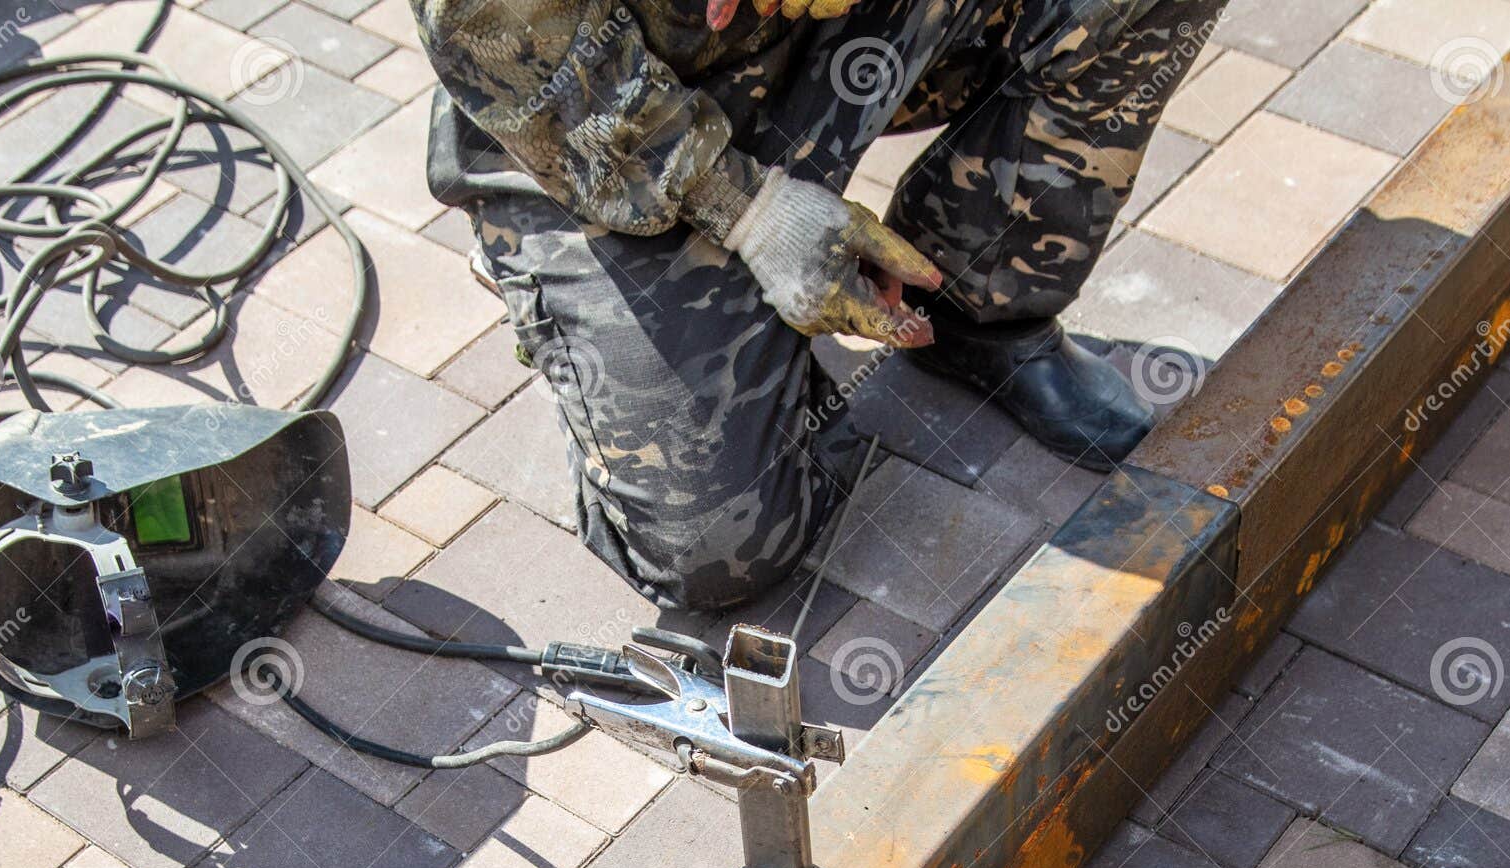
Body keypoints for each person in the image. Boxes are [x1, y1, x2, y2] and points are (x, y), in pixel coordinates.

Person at [413, 1, 1226, 612]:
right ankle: (609, 301)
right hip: (601, 110)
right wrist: (753, 216)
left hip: (829, 39)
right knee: (715, 546)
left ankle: (981, 303)